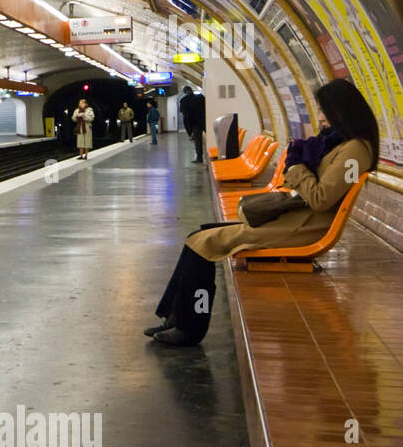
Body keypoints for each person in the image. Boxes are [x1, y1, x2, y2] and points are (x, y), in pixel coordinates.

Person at [145, 78, 378, 346]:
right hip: (292, 221)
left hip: (302, 229)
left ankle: (191, 328)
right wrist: (299, 165)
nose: (321, 117)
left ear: (342, 111)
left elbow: (321, 199)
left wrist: (296, 166)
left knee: (203, 245)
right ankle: (175, 315)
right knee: (198, 235)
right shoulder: (337, 144)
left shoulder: (355, 152)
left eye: (325, 110)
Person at [179, 85, 206, 162]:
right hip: (204, 121)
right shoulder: (201, 97)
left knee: (197, 141)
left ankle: (199, 157)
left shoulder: (183, 100)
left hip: (194, 123)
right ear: (191, 90)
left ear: (184, 92)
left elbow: (184, 114)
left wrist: (189, 129)